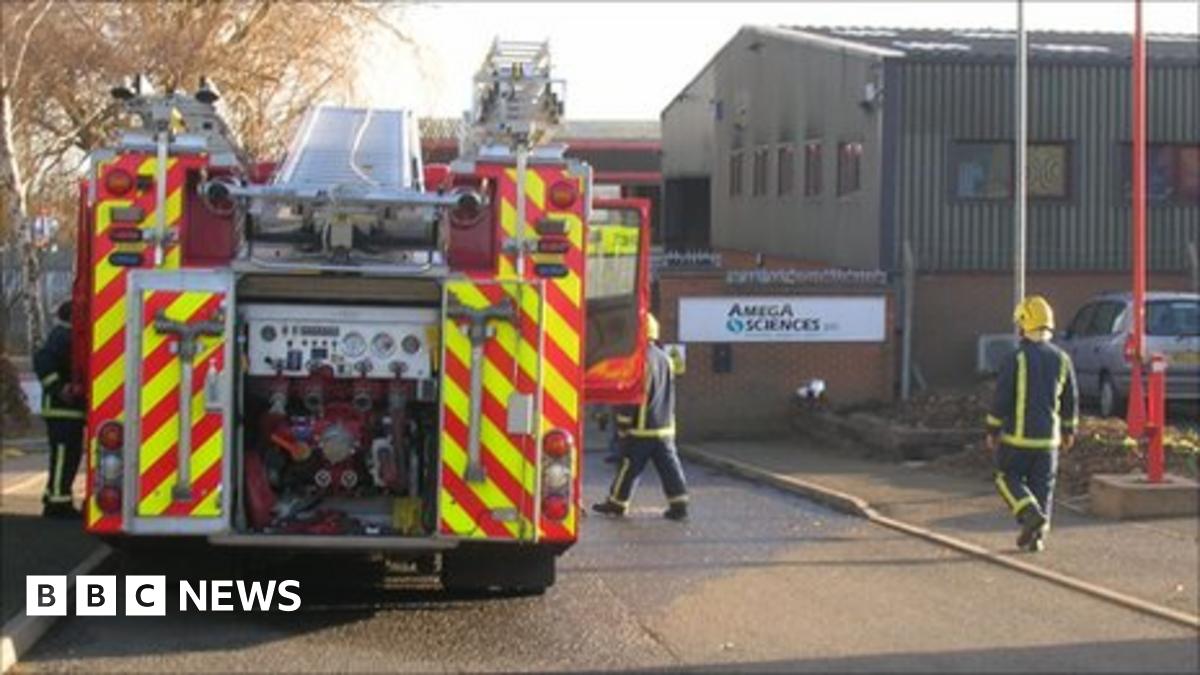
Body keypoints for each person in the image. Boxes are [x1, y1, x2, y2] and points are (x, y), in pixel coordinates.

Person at [985, 295, 1078, 553]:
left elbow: (1002, 398)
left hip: (1018, 438)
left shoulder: (1016, 358)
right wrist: (1069, 430)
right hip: (1049, 441)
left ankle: (1028, 513)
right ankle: (1037, 536)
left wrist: (993, 429)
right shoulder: (1062, 359)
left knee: (1006, 477)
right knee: (1043, 487)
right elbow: (1070, 399)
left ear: (1024, 324)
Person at [592, 313, 690, 521]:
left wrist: (623, 425)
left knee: (628, 466)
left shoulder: (636, 360)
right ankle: (679, 504)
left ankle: (617, 503)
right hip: (664, 426)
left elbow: (630, 396)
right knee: (669, 466)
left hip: (641, 427)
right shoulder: (665, 358)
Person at [33, 300, 86, 518]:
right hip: (62, 410)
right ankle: (58, 503)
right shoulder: (62, 337)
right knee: (65, 456)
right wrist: (59, 387)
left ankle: (53, 496)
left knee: (67, 455)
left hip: (67, 411)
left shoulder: (65, 337)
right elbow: (42, 360)